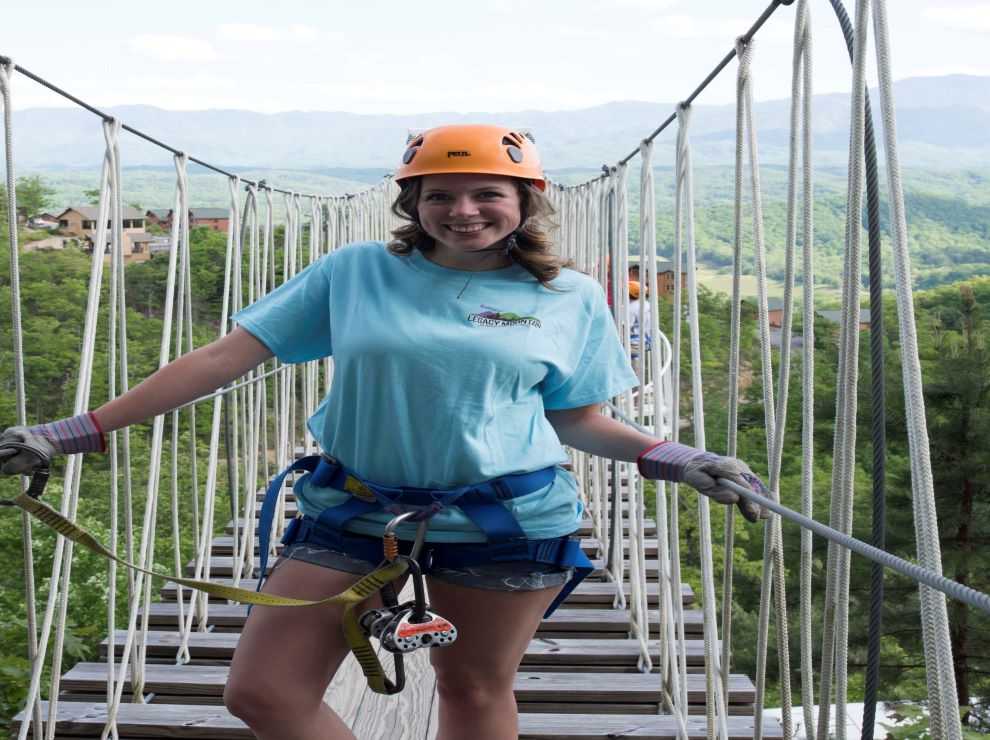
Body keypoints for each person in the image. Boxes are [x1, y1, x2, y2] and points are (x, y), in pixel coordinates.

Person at [0, 124, 768, 740]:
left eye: (486, 194)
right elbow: (222, 357)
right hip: (353, 509)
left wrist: (674, 456)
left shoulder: (566, 296)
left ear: (527, 201)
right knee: (263, 695)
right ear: (412, 203)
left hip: (505, 518)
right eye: (441, 195)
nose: (463, 210)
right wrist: (76, 431)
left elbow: (579, 420)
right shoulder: (355, 270)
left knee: (471, 688)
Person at [627, 279, 652, 365]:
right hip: (647, 341)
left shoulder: (631, 308)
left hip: (634, 344)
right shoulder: (647, 305)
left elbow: (626, 327)